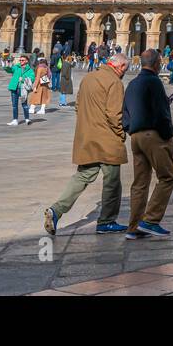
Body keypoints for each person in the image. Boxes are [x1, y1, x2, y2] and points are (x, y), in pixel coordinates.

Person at [43, 52, 129, 236]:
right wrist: (121, 134)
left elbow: (78, 105)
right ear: (120, 66)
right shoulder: (114, 82)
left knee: (82, 176)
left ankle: (56, 210)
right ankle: (106, 221)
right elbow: (115, 114)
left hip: (87, 137)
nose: (124, 73)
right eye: (125, 69)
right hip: (107, 139)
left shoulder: (89, 78)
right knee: (112, 182)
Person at [122, 50, 173, 239]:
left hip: (136, 136)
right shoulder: (154, 82)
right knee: (168, 177)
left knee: (140, 183)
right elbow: (162, 112)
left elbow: (125, 113)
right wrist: (168, 133)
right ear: (156, 63)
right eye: (160, 61)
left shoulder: (132, 83)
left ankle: (133, 227)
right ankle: (151, 220)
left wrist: (131, 130)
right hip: (153, 135)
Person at [4, 53, 36, 126]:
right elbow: (10, 70)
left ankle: (27, 119)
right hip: (14, 88)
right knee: (14, 105)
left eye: (22, 60)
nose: (21, 61)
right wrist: (8, 64)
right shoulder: (16, 67)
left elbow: (32, 78)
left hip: (23, 89)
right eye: (20, 60)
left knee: (24, 105)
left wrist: (24, 79)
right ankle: (15, 120)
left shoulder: (30, 70)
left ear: (27, 61)